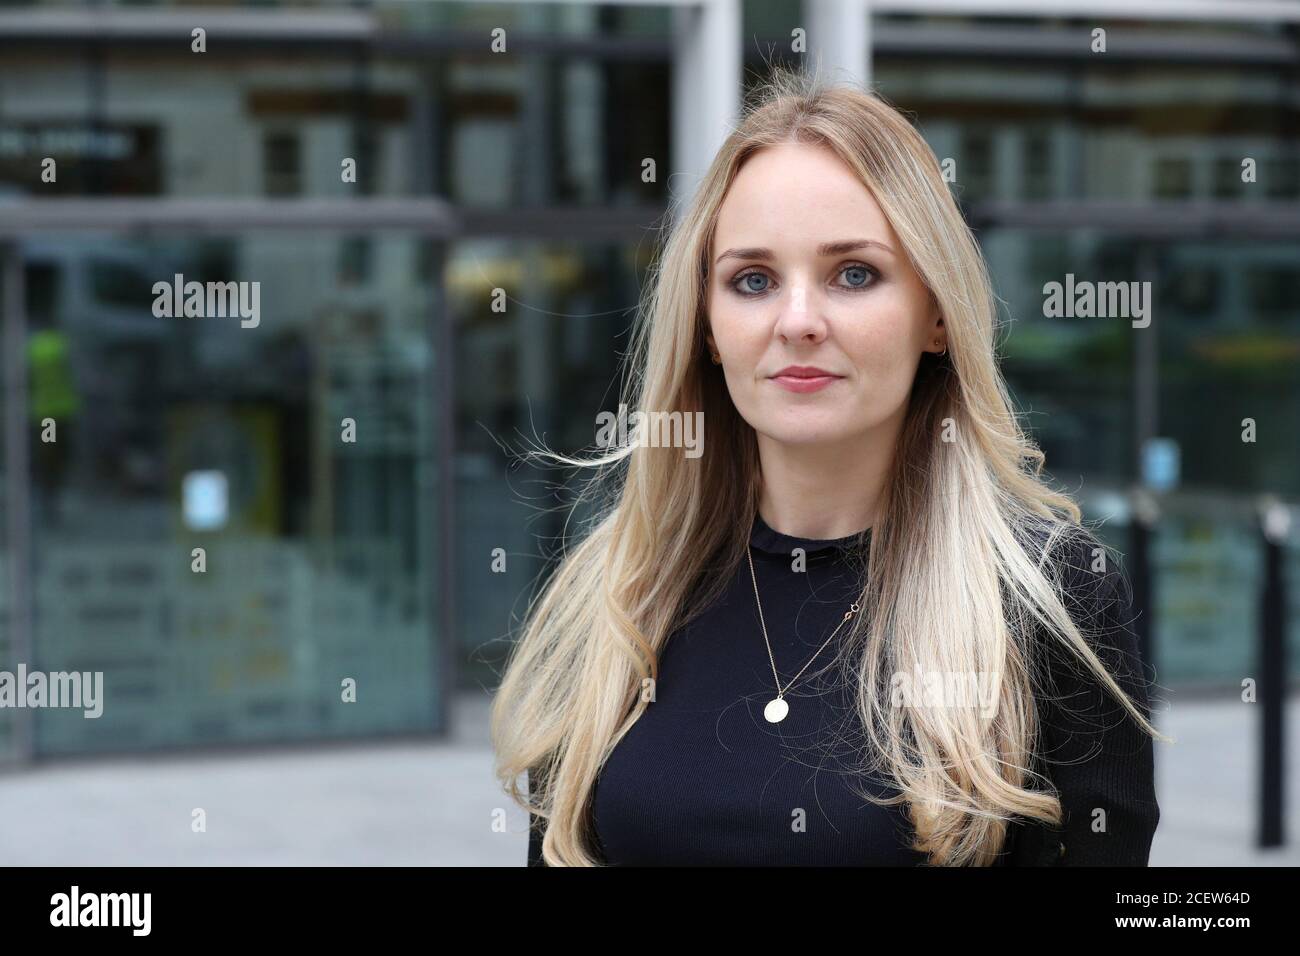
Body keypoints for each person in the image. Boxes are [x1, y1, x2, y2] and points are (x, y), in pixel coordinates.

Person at [491, 68, 1167, 867]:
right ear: (708, 327)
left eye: (855, 274)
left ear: (937, 316)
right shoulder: (616, 590)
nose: (798, 321)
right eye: (753, 280)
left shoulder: (1046, 594)